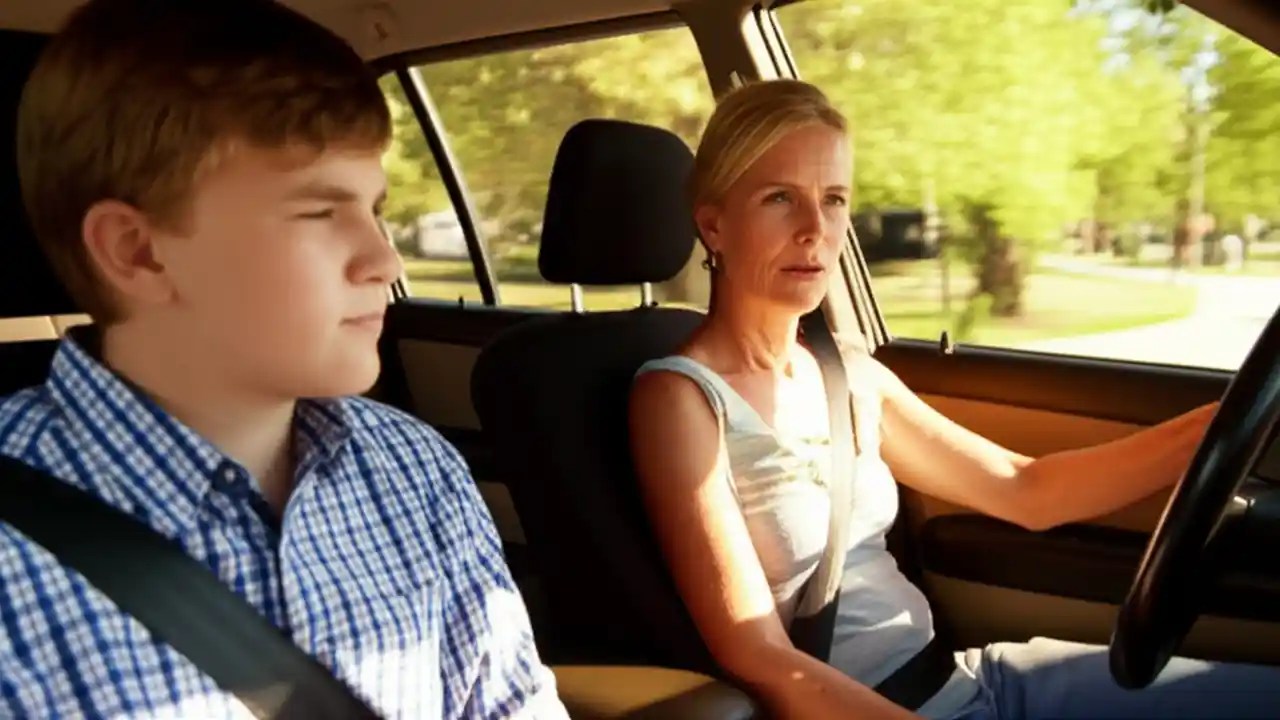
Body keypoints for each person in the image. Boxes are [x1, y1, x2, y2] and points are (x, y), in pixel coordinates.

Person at [628, 79, 1280, 720]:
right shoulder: (681, 399)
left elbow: (1025, 490)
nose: (814, 229)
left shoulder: (846, 373)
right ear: (713, 224)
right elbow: (761, 657)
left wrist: (1223, 429)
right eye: (780, 198)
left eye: (833, 199)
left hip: (975, 683)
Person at [0, 1, 567, 717]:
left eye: (375, 210)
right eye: (320, 213)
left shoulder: (415, 469)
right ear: (139, 252)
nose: (385, 260)